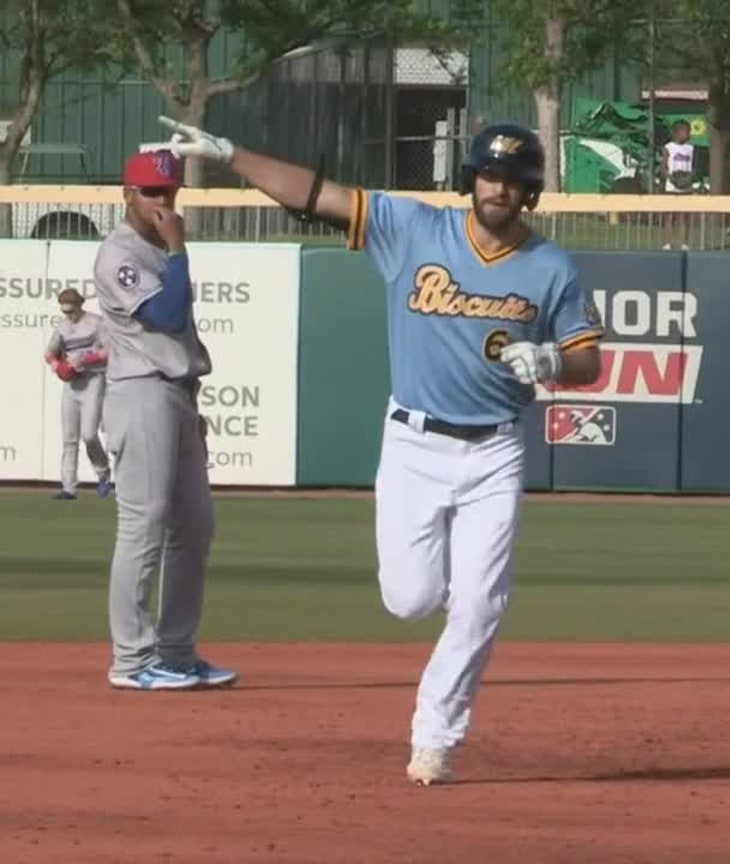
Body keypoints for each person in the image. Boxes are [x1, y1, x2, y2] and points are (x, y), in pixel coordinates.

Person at [144, 114, 605, 786]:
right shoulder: (412, 227)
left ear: (530, 192)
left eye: (511, 179)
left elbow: (589, 359)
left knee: (482, 604)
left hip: (494, 452)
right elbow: (316, 194)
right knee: (409, 598)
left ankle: (435, 737)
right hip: (415, 441)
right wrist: (229, 155)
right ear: (470, 176)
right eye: (488, 173)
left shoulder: (550, 266)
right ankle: (456, 595)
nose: (497, 187)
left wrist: (555, 361)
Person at [92, 150, 236, 692]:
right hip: (141, 392)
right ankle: (131, 660)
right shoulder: (120, 254)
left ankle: (175, 652)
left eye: (169, 191)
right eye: (150, 192)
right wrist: (178, 247)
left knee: (194, 527)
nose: (162, 201)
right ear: (126, 194)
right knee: (143, 523)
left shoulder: (160, 248)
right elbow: (166, 315)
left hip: (178, 392)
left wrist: (174, 249)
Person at [43, 287, 113, 500]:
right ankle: (68, 487)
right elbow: (49, 352)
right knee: (69, 437)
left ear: (79, 306)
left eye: (71, 311)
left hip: (93, 379)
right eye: (64, 311)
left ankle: (103, 473)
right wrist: (57, 365)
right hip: (72, 384)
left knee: (89, 434)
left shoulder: (96, 323)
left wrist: (87, 360)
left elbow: (109, 350)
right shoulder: (63, 327)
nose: (68, 315)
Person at [661, 120, 697, 250]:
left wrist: (690, 178)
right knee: (669, 216)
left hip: (686, 187)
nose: (687, 134)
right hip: (672, 187)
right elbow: (663, 167)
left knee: (684, 217)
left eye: (688, 131)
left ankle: (684, 244)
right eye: (685, 131)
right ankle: (667, 244)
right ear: (676, 132)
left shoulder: (691, 148)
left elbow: (694, 167)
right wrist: (671, 178)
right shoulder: (668, 147)